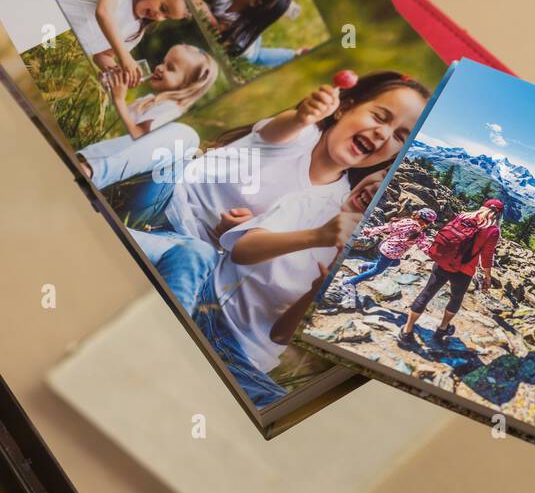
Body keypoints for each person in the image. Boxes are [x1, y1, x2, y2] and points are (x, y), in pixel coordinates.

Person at [113, 70, 430, 313]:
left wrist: (243, 233)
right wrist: (305, 114)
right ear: (344, 107)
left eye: (400, 137)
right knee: (180, 140)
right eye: (379, 116)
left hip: (190, 248)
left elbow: (258, 255)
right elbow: (280, 129)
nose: (382, 133)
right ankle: (89, 171)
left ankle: (121, 239)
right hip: (161, 199)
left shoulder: (337, 204)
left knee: (193, 261)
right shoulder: (300, 135)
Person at [194, 174, 381, 408]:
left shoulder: (363, 266)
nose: (377, 187)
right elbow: (243, 250)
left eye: (388, 192)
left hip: (244, 355)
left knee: (284, 408)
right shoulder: (314, 203)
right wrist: (319, 236)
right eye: (383, 175)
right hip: (206, 299)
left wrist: (315, 295)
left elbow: (281, 335)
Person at [75, 43, 217, 189]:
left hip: (108, 162)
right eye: (163, 62)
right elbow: (118, 119)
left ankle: (91, 169)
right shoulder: (153, 100)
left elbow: (138, 133)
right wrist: (115, 87)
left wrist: (119, 100)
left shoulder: (171, 110)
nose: (160, 67)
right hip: (102, 153)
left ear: (187, 84)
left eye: (170, 68)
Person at [398, 199, 502, 346]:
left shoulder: (464, 216)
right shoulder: (492, 230)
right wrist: (487, 276)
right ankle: (442, 329)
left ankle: (407, 331)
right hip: (463, 271)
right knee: (455, 299)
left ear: (482, 207)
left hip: (442, 262)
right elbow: (486, 256)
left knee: (427, 293)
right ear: (499, 215)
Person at [55, 0, 190, 79]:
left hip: (58, 46)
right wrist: (125, 57)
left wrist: (119, 73)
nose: (159, 17)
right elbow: (103, 13)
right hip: (52, 19)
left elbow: (104, 55)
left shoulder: (136, 32)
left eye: (166, 17)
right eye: (163, 8)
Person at [344, 207, 438, 288]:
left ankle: (365, 266)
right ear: (426, 222)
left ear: (418, 215)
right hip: (391, 253)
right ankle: (350, 282)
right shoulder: (419, 234)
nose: (428, 224)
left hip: (386, 247)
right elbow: (424, 247)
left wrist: (371, 231)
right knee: (376, 271)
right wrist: (435, 256)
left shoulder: (406, 221)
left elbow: (387, 228)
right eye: (428, 223)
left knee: (396, 263)